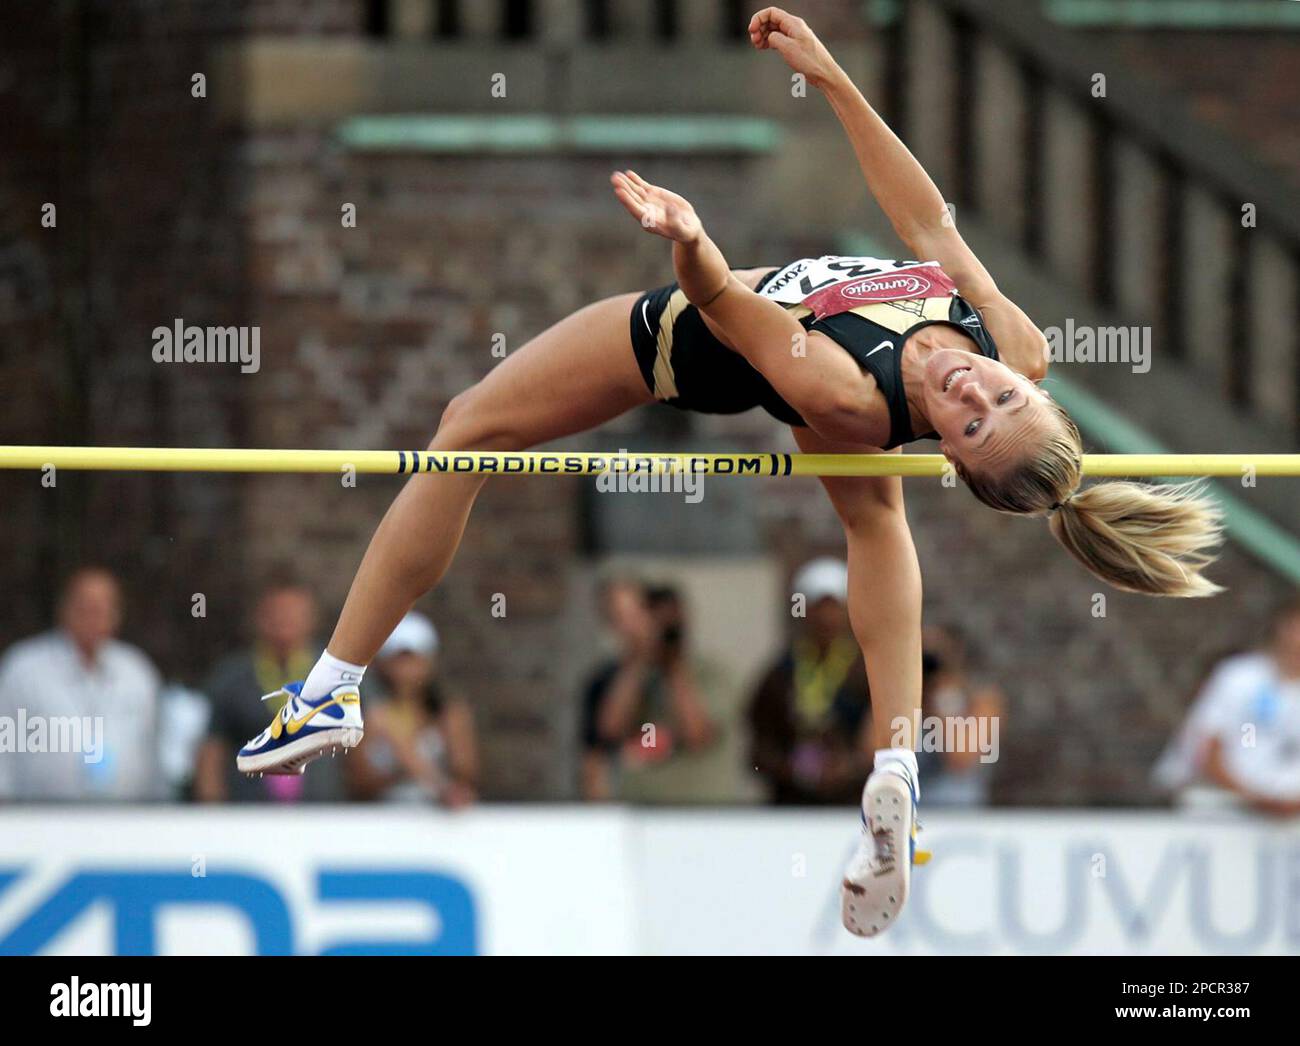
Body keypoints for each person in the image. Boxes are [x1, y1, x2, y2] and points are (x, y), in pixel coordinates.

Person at [236, 8, 1223, 936]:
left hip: (682, 342)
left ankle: (332, 685)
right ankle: (895, 768)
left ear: (955, 457)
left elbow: (726, 314)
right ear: (1029, 385)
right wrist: (835, 80)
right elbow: (929, 224)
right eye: (1001, 399)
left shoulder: (844, 395)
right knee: (873, 522)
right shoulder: (1011, 339)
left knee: (464, 431)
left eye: (969, 424)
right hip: (807, 362)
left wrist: (693, 241)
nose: (978, 392)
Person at [0, 567, 161, 800]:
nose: (95, 614)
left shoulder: (136, 671)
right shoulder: (24, 669)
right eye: (85, 605)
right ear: (64, 609)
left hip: (125, 820)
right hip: (38, 820)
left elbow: (152, 751)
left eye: (104, 606)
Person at [193, 576, 344, 802]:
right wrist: (212, 811)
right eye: (276, 613)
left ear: (312, 619)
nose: (284, 620)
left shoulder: (335, 673)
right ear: (259, 618)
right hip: (248, 815)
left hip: (322, 814)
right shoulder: (232, 677)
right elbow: (212, 750)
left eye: (293, 613)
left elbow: (369, 732)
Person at [1153, 598, 1300, 815]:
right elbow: (1205, 748)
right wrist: (1254, 799)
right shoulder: (1239, 676)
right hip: (1218, 812)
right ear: (1284, 625)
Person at [579, 579, 716, 800]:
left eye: (637, 614)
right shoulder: (606, 679)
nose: (631, 626)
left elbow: (697, 735)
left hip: (696, 815)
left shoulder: (708, 674)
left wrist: (672, 665)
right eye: (619, 618)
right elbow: (607, 734)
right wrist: (639, 660)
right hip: (633, 814)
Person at [749, 558, 872, 804]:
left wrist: (849, 767)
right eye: (818, 607)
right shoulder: (779, 674)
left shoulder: (865, 671)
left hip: (853, 805)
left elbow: (885, 739)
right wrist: (791, 770)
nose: (826, 617)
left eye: (834, 607)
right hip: (792, 805)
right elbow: (757, 748)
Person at [344, 611, 478, 806]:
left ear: (429, 662)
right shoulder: (370, 717)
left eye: (413, 660)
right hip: (382, 821)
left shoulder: (449, 715)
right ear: (383, 664)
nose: (406, 670)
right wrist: (402, 768)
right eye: (399, 660)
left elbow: (466, 773)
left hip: (439, 823)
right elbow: (358, 782)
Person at [914, 624, 1005, 806]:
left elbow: (960, 759)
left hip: (958, 814)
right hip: (905, 810)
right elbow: (871, 755)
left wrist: (945, 699)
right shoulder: (907, 701)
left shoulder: (982, 701)